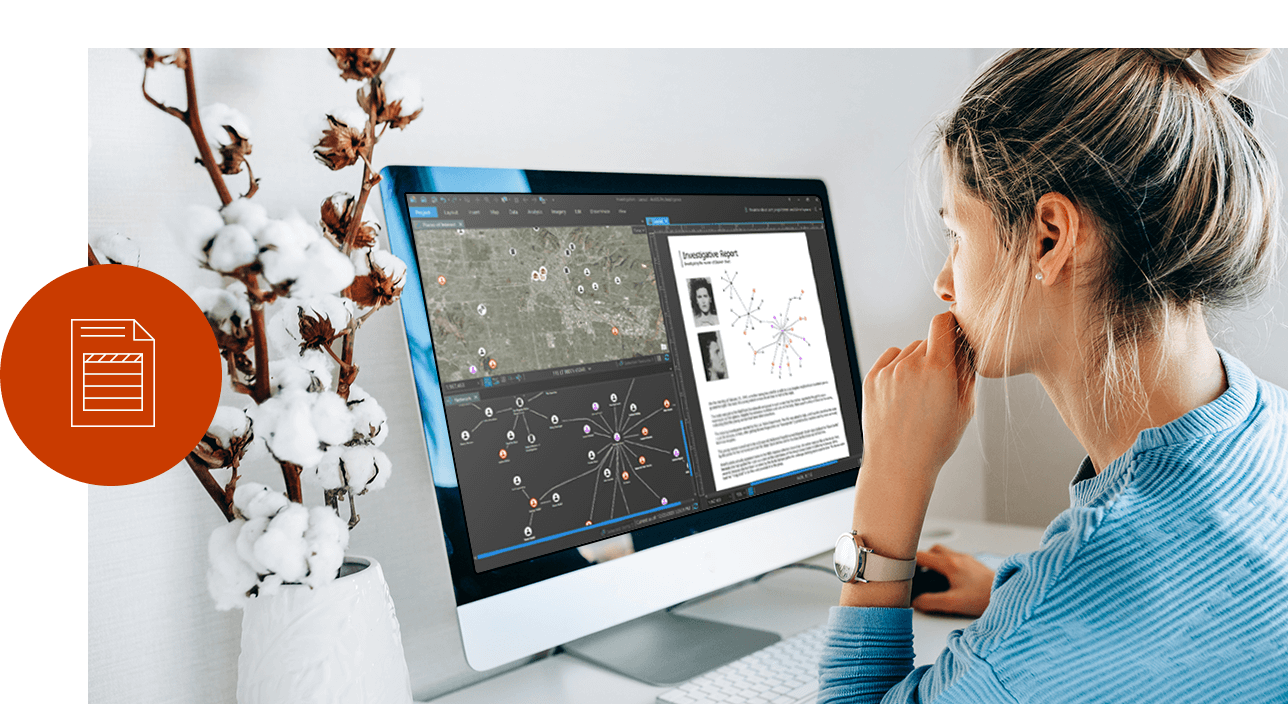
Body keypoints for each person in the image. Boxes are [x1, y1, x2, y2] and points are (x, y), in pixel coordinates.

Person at [819, 48, 1287, 703]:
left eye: (957, 233)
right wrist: (1014, 592)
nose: (944, 281)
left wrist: (890, 483)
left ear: (1049, 238)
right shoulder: (1272, 426)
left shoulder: (1041, 636)